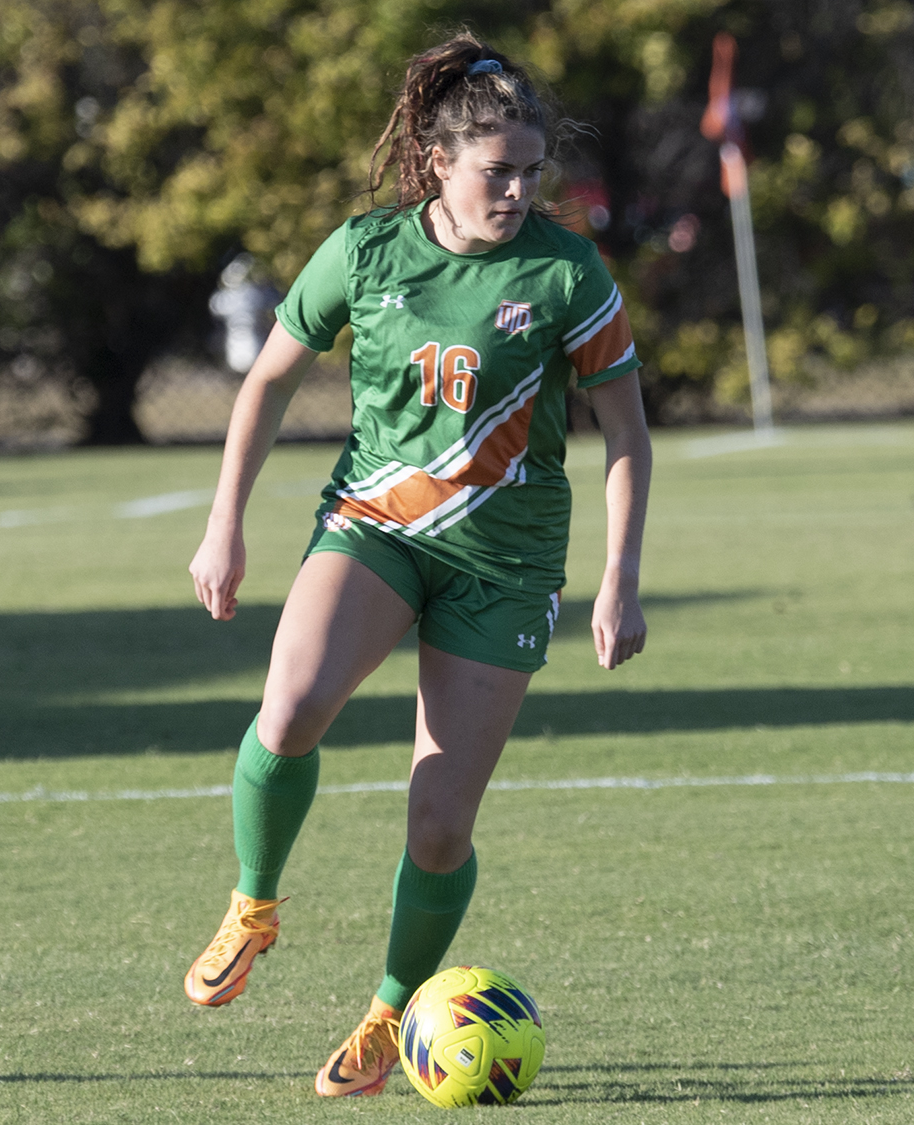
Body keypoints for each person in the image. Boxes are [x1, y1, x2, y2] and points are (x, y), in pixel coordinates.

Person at [182, 32, 652, 1098]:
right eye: (499, 171)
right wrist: (225, 524)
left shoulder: (565, 270)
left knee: (438, 829)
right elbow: (264, 385)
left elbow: (626, 431)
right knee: (290, 707)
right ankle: (253, 905)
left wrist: (619, 577)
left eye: (534, 171)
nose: (520, 190)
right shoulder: (364, 252)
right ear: (440, 162)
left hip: (504, 568)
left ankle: (393, 1013)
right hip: (376, 530)